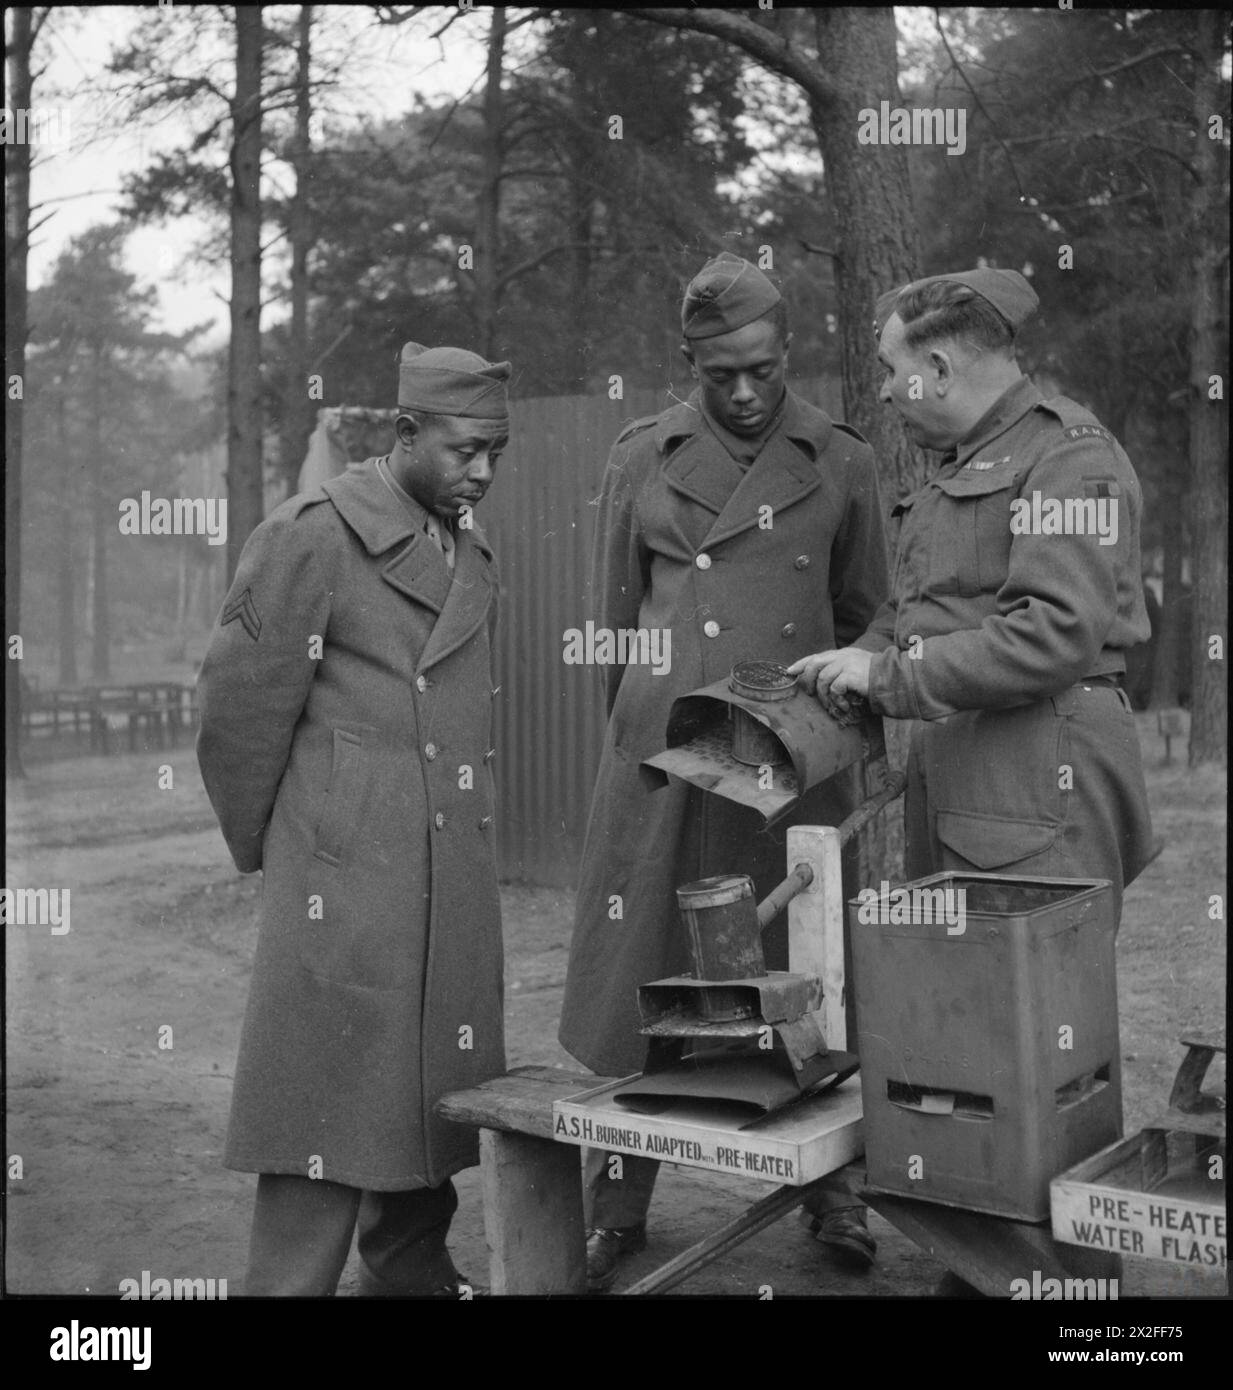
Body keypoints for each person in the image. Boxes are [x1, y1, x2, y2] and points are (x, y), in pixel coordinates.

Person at [558, 252, 890, 1291]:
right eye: (719, 374)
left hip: (785, 756)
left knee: (810, 970)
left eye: (759, 367)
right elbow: (613, 625)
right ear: (689, 364)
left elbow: (867, 612)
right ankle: (616, 1203)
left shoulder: (841, 460)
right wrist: (636, 736)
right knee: (642, 976)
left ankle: (834, 1196)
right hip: (668, 761)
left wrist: (821, 729)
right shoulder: (641, 456)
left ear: (786, 350)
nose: (743, 392)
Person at [196, 343, 512, 1296]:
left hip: (446, 874)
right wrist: (292, 850)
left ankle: (410, 1269)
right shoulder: (311, 535)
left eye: (496, 450)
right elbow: (236, 712)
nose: (483, 472)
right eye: (464, 450)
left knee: (427, 1093)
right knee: (321, 1104)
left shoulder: (466, 540)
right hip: (344, 876)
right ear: (406, 433)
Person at [790, 268, 1154, 920]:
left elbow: (1052, 633)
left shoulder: (1069, 456)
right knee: (962, 1006)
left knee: (1035, 1006)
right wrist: (850, 663)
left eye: (889, 370)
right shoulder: (960, 464)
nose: (881, 390)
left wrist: (886, 676)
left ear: (935, 366)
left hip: (1040, 778)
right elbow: (916, 608)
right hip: (967, 778)